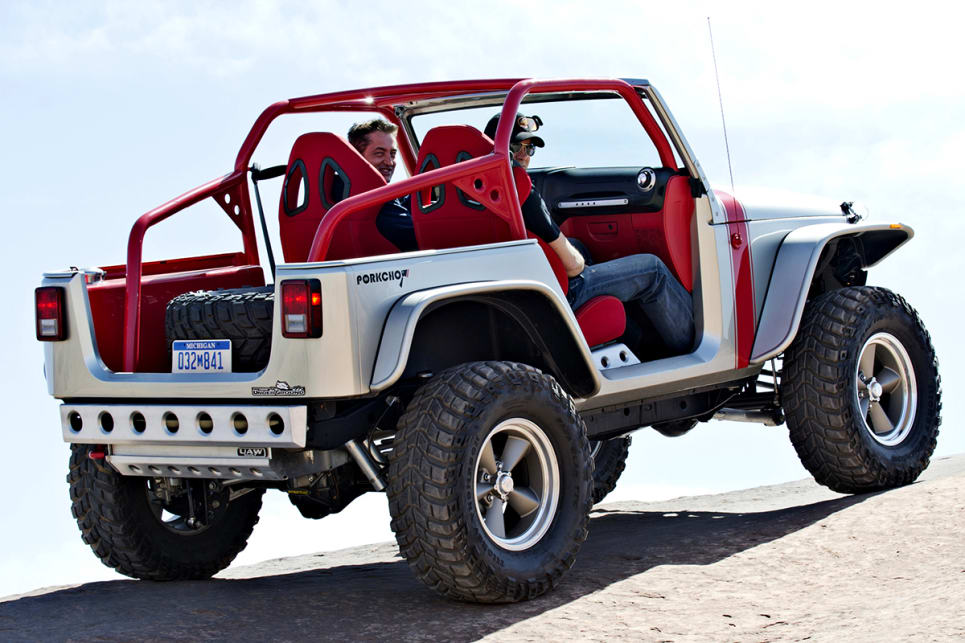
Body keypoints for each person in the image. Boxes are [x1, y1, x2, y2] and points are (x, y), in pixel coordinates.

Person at [483, 112, 695, 355]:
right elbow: (574, 267)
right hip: (555, 295)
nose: (523, 155)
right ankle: (693, 351)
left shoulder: (471, 192)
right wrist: (577, 260)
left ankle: (636, 345)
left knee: (579, 246)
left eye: (529, 148)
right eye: (516, 147)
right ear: (497, 148)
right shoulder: (521, 191)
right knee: (653, 270)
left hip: (513, 290)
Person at [347, 119, 417, 251]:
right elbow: (416, 236)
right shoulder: (376, 196)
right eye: (379, 153)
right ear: (357, 156)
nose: (389, 162)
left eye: (393, 154)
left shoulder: (332, 188)